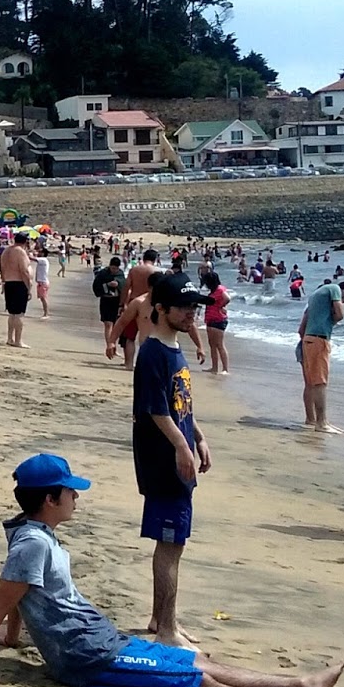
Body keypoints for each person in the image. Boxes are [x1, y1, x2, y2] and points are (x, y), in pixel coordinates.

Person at [0, 453, 344, 687]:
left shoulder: (33, 534)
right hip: (86, 656)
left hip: (99, 639)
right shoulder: (31, 544)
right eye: (71, 492)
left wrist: (12, 639)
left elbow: (19, 599)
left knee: (194, 660)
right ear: (49, 499)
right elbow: (1, 601)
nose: (76, 498)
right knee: (194, 685)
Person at [132, 274, 213, 651]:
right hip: (164, 463)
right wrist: (182, 448)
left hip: (178, 456)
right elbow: (155, 410)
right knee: (170, 546)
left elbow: (180, 404)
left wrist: (198, 437)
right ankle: (167, 629)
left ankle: (161, 618)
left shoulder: (173, 348)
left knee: (174, 544)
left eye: (193, 306)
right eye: (183, 307)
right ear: (161, 309)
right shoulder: (152, 353)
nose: (190, 313)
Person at [297, 279, 344, 433]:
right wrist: (333, 318)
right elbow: (341, 314)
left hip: (308, 339)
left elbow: (301, 328)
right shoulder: (334, 289)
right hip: (319, 339)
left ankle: (311, 419)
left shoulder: (315, 296)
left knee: (311, 383)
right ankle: (322, 423)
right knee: (320, 382)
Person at [0, 232, 35, 348]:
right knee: (19, 314)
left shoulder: (6, 251)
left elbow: (2, 268)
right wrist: (29, 287)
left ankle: (10, 338)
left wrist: (4, 283)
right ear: (26, 241)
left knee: (12, 313)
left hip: (8, 282)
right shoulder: (20, 252)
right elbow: (24, 271)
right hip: (19, 283)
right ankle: (18, 341)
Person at [94, 256, 125, 353]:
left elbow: (124, 285)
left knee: (115, 324)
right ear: (110, 266)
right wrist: (107, 284)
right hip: (106, 300)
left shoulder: (120, 274)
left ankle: (113, 344)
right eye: (112, 268)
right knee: (108, 324)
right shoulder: (103, 273)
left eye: (116, 268)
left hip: (116, 301)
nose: (114, 270)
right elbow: (96, 285)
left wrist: (118, 284)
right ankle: (109, 346)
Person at [202, 272, 230, 375]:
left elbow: (227, 298)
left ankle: (225, 369)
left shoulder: (219, 289)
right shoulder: (213, 291)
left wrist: (221, 306)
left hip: (218, 319)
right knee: (212, 344)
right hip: (210, 320)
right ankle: (214, 368)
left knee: (219, 344)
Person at [34, 245, 51, 319]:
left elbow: (32, 258)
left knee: (44, 298)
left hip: (43, 283)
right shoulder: (42, 260)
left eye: (40, 252)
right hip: (42, 282)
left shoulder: (43, 260)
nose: (38, 253)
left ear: (43, 253)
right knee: (42, 298)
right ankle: (45, 313)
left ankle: (46, 314)